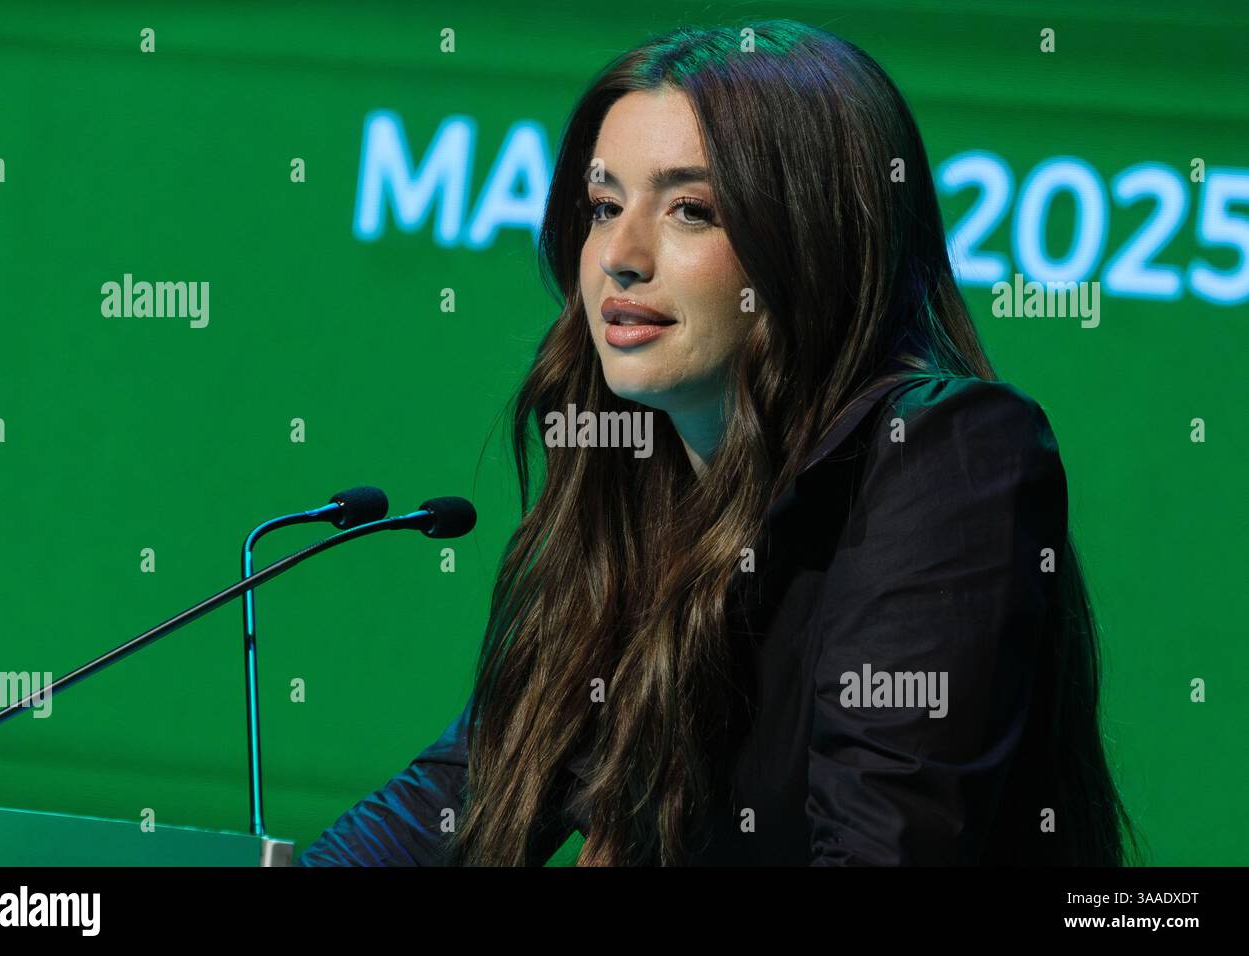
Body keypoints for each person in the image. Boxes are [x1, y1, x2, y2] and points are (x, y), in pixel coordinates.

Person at [298, 19, 1138, 866]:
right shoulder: (638, 492)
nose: (620, 257)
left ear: (810, 236)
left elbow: (881, 849)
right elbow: (461, 795)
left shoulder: (942, 451)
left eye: (691, 210)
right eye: (603, 206)